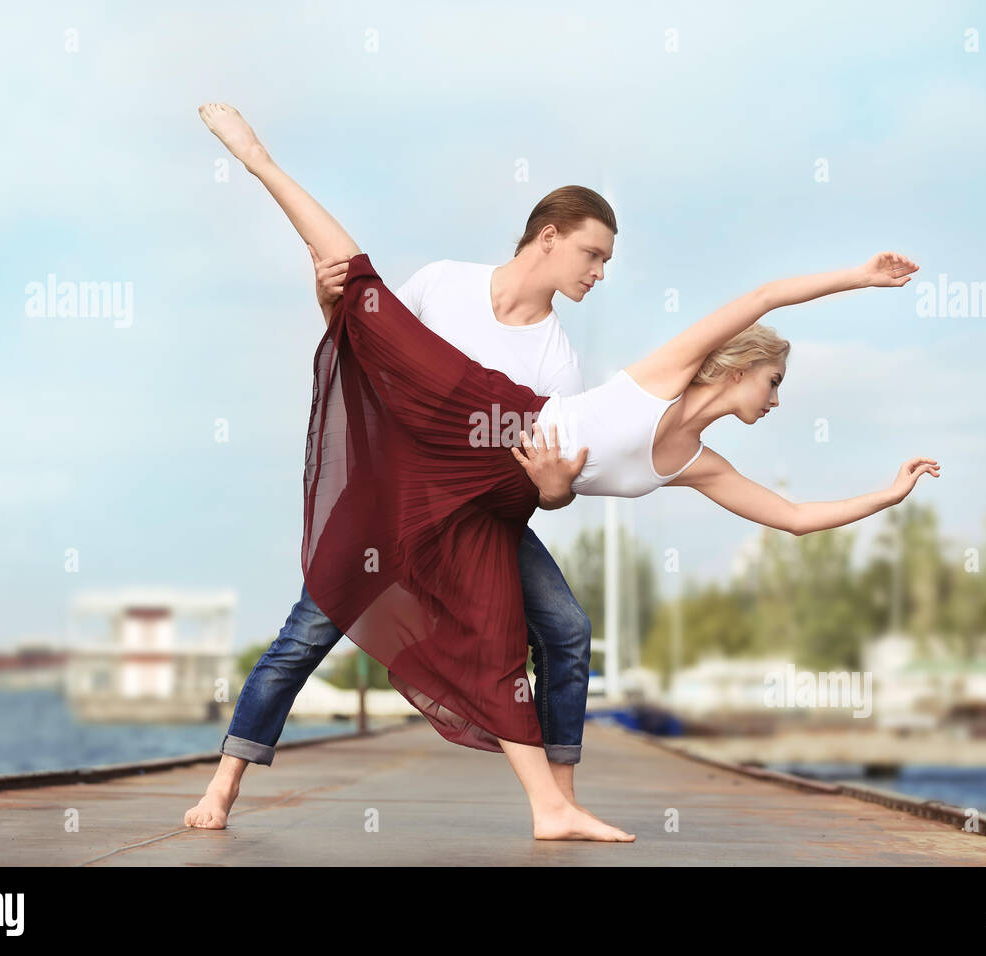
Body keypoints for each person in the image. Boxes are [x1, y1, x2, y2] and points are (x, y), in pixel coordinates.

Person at [196, 102, 939, 842]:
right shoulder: (658, 374)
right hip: (472, 420)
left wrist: (889, 492)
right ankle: (258, 156)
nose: (778, 399)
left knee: (541, 631)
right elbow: (760, 297)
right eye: (774, 382)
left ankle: (558, 806)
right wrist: (860, 276)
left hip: (500, 494)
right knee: (361, 291)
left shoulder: (695, 461)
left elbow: (795, 516)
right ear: (743, 366)